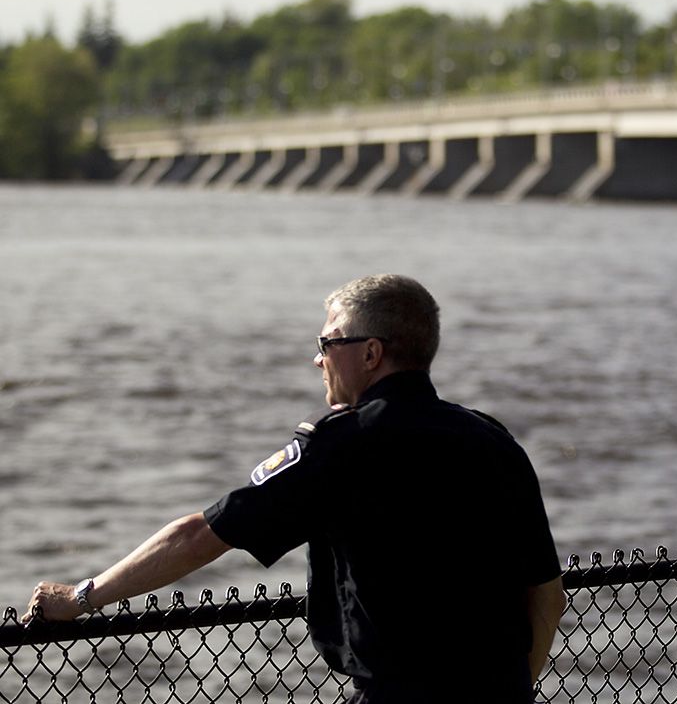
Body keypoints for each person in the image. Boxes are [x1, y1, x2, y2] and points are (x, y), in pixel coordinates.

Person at [22, 274, 566, 704]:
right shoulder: (493, 440)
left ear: (371, 353)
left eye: (327, 342)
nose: (317, 358)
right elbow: (548, 593)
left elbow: (201, 535)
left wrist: (82, 597)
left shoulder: (342, 445)